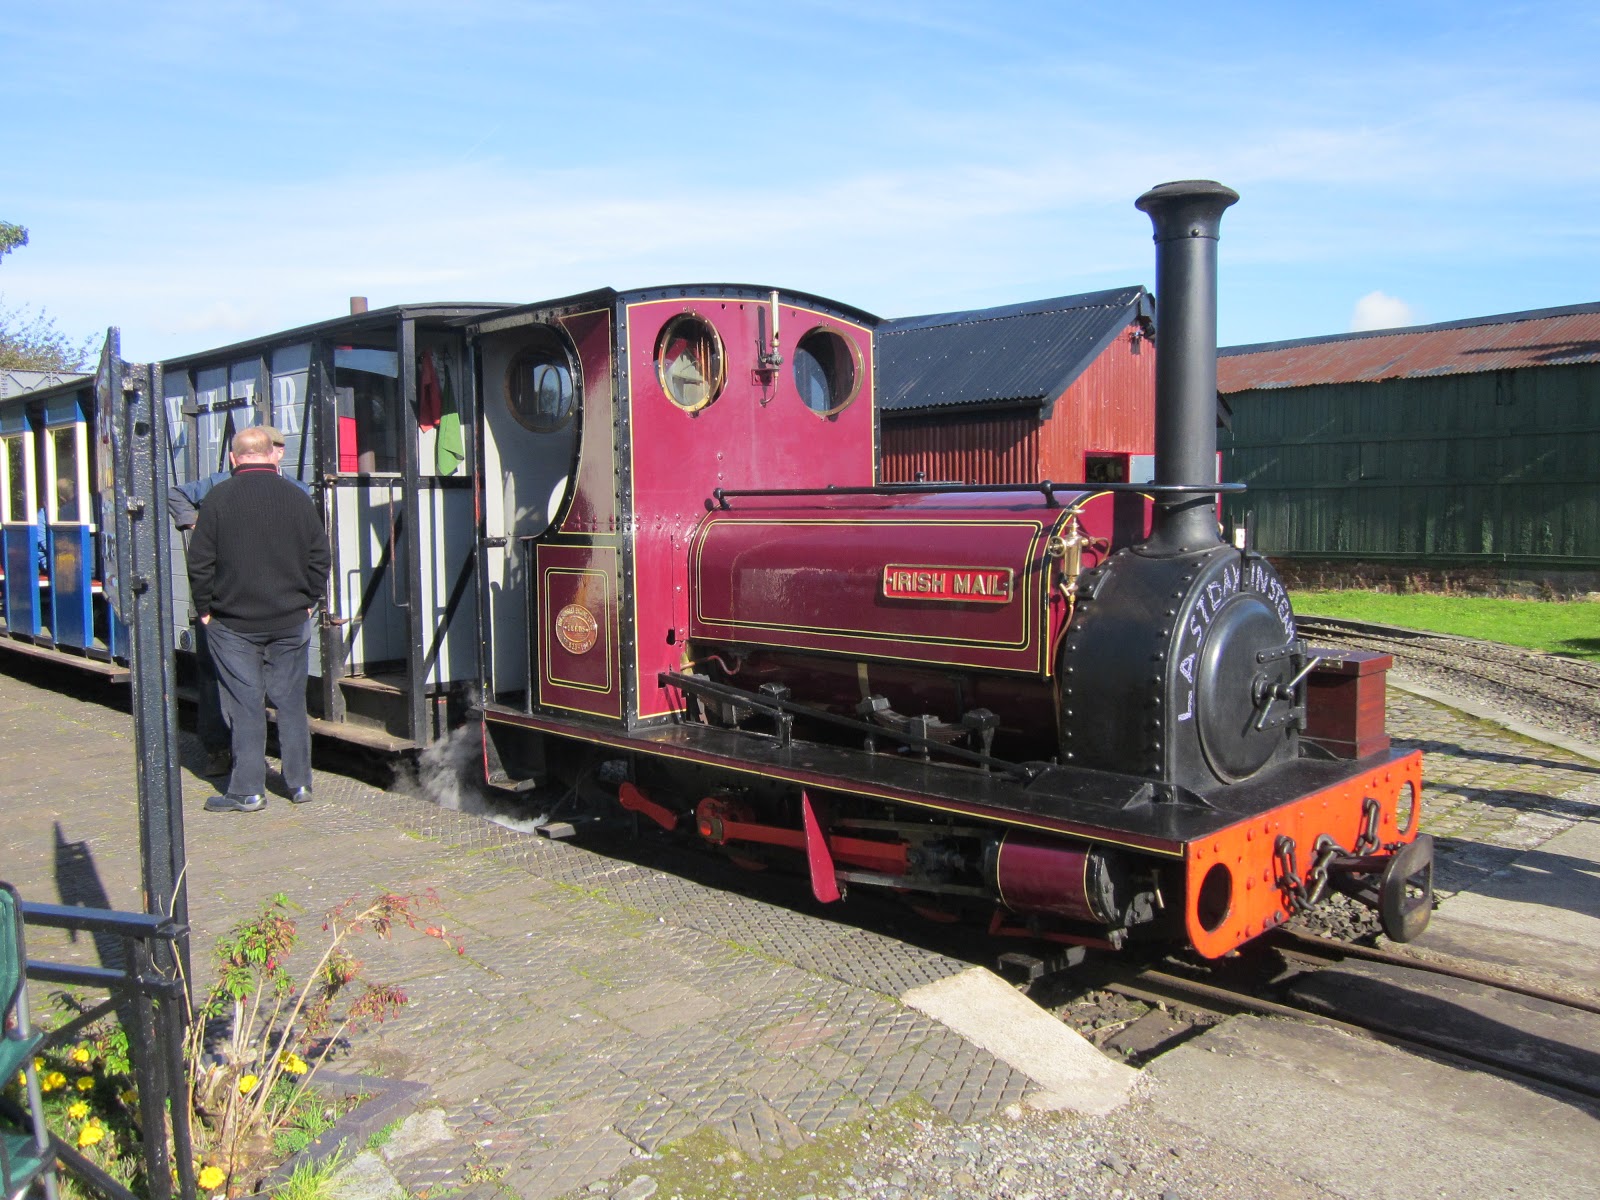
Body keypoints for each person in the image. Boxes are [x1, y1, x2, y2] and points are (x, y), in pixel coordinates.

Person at [186, 425, 330, 813]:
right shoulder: (297, 498)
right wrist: (309, 600)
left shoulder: (218, 499)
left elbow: (200, 562)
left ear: (234, 458)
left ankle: (248, 791)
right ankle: (300, 783)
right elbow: (320, 555)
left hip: (233, 624)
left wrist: (204, 609)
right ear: (271, 454)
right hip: (290, 619)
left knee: (245, 703)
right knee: (291, 701)